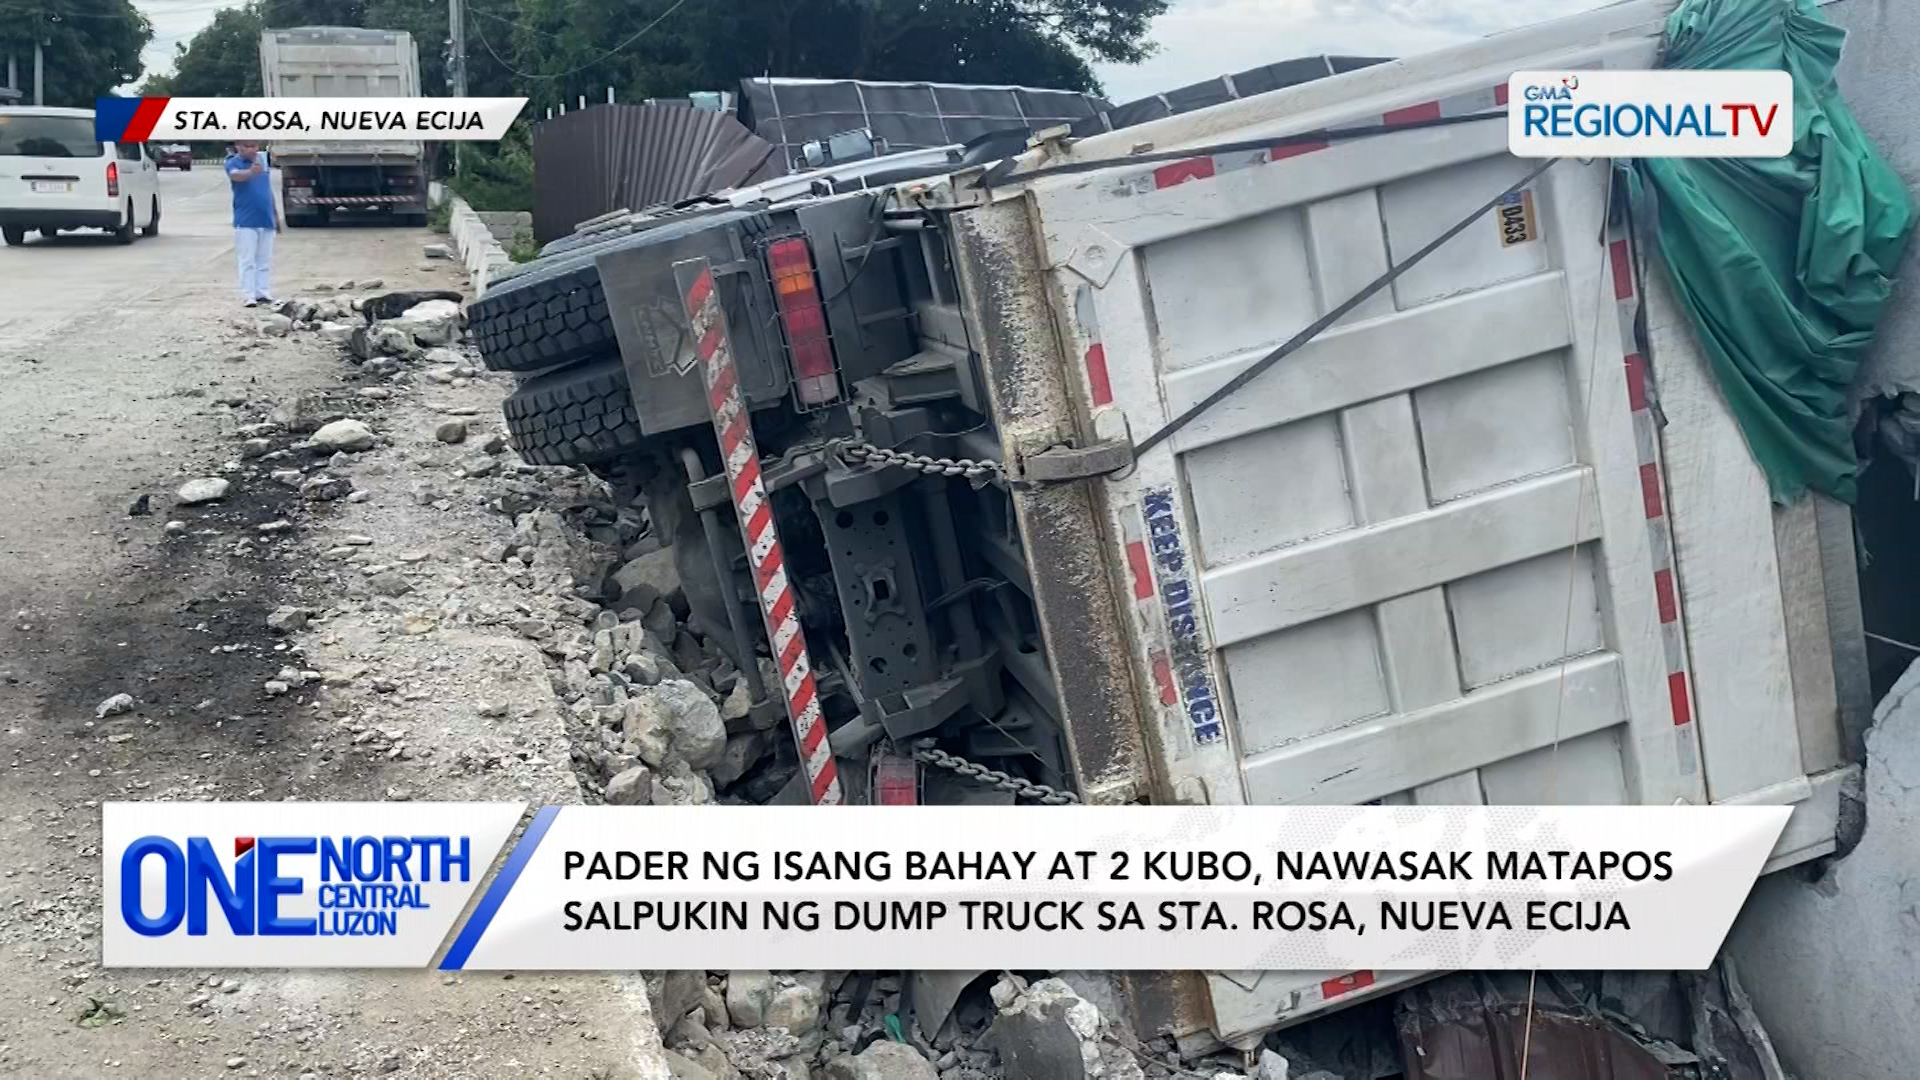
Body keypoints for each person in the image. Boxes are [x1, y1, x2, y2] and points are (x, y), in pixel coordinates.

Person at [226, 141, 281, 307]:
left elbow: (267, 189)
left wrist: (275, 214)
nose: (251, 150)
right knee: (247, 260)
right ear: (238, 146)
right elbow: (235, 176)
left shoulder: (262, 160)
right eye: (247, 146)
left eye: (254, 146)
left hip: (265, 218)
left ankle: (262, 292)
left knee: (264, 260)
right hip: (246, 221)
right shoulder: (233, 162)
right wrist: (251, 172)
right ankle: (248, 295)